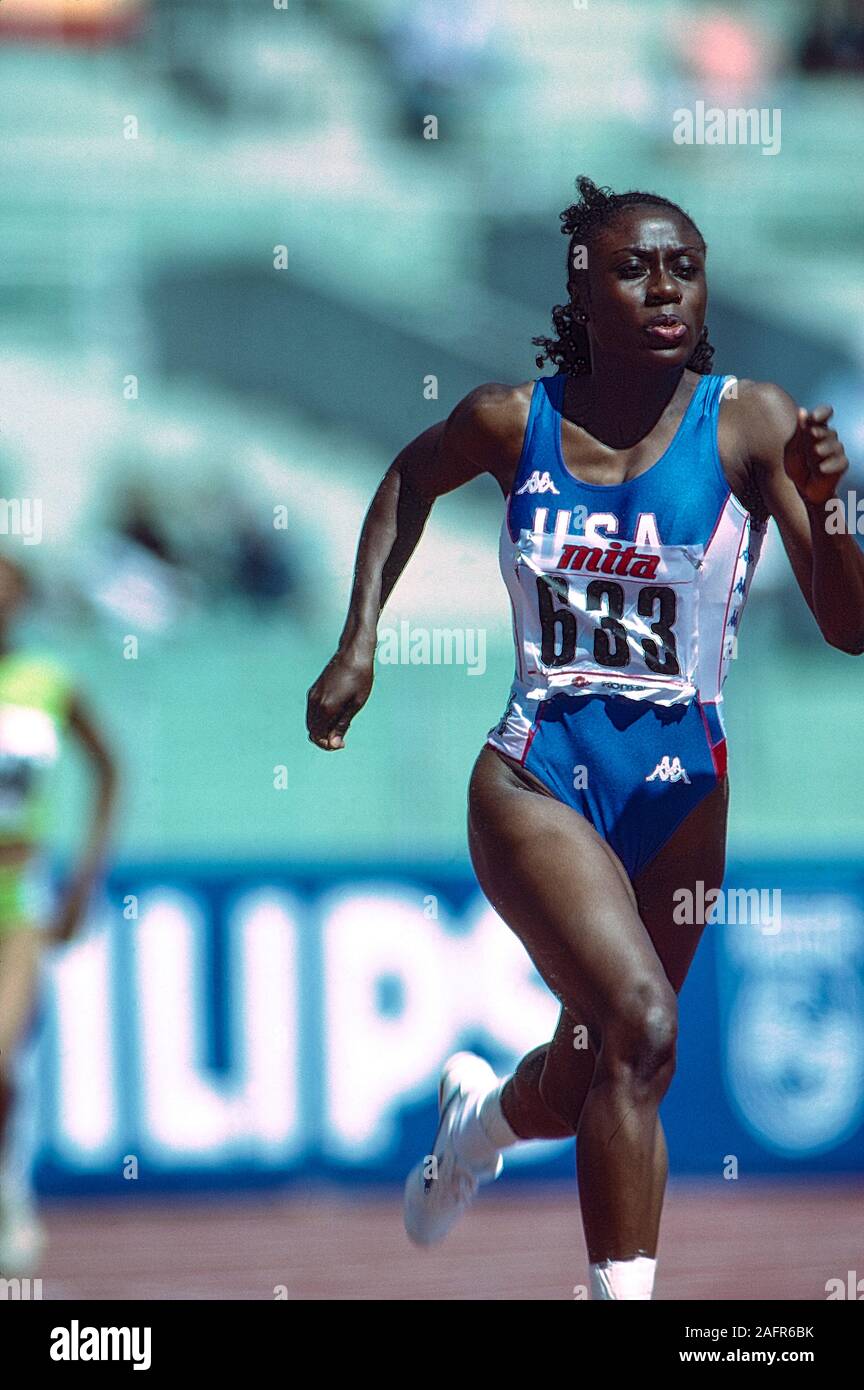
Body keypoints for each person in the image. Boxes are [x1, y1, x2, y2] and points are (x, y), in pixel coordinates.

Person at [305, 177, 864, 1300]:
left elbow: (851, 628)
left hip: (682, 791)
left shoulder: (749, 423)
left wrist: (837, 505)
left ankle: (478, 1122)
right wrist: (358, 637)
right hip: (539, 774)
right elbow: (409, 482)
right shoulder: (514, 421)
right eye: (634, 267)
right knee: (643, 1025)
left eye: (684, 268)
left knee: (603, 1069)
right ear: (582, 285)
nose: (664, 287)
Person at [0, 555, 118, 1275]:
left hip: (18, 894)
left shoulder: (48, 683)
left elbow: (108, 767)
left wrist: (84, 878)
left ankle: (10, 1198)